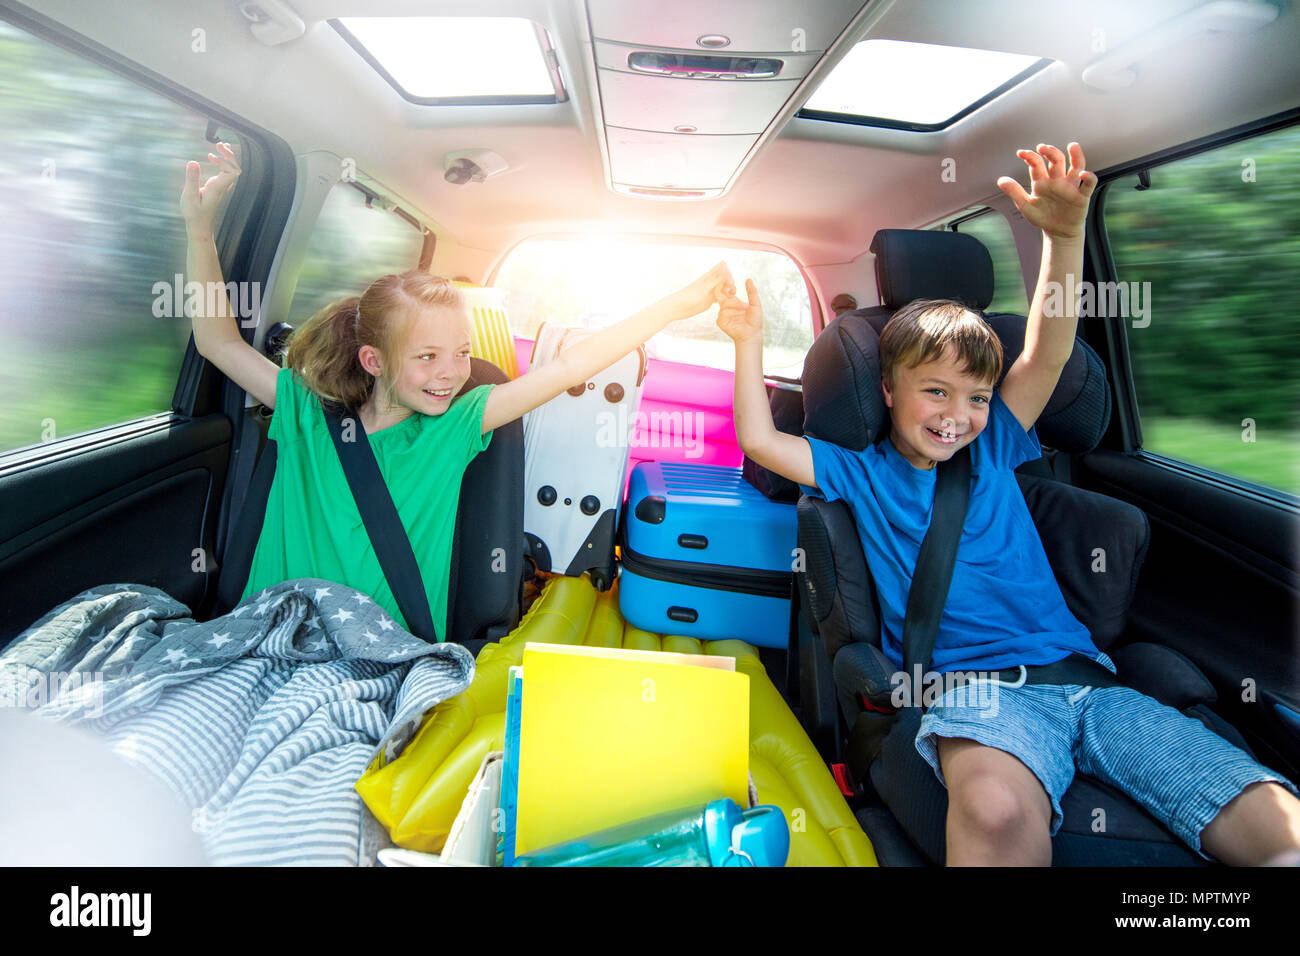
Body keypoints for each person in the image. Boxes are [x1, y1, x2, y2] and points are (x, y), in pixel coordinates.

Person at [717, 141, 1300, 866]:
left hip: (1091, 684)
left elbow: (1048, 354)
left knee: (1276, 820)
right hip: (977, 696)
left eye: (977, 398)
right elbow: (759, 438)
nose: (956, 416)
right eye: (935, 391)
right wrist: (746, 342)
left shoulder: (996, 448)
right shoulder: (854, 471)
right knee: (993, 811)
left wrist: (1063, 237)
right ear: (890, 390)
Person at [183, 142, 734, 639]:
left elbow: (570, 369)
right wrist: (201, 229)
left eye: (462, 353)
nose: (452, 373)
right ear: (373, 360)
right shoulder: (304, 412)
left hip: (376, 655)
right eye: (427, 357)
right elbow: (217, 342)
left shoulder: (459, 424)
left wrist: (677, 306)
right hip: (268, 636)